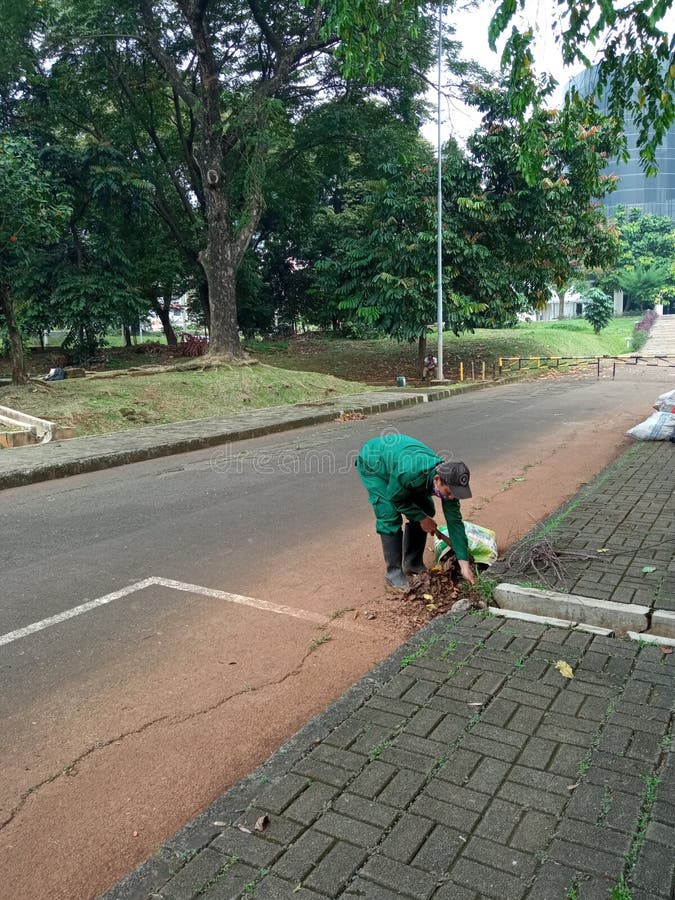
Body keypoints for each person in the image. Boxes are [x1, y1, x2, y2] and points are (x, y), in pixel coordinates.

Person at [356, 434, 476, 591]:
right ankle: (393, 572)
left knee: (427, 509)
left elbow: (454, 522)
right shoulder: (410, 473)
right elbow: (395, 498)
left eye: (454, 494)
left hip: (398, 463)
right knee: (389, 514)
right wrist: (420, 518)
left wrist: (464, 564)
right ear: (438, 479)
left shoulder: (449, 483)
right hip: (374, 463)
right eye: (448, 493)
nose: (451, 497)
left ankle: (412, 562)